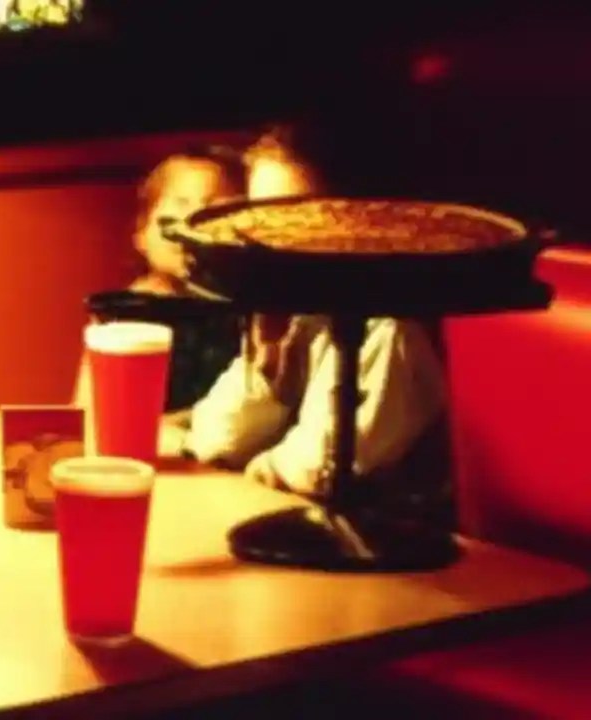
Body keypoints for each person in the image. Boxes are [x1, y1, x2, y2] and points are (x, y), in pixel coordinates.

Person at [182, 122, 453, 526]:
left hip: (393, 556)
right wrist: (265, 370)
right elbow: (213, 442)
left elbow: (313, 474)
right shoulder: (299, 318)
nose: (270, 244)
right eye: (261, 221)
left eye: (298, 219)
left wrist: (258, 464)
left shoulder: (392, 330)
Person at [75, 144, 246, 414]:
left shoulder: (243, 316)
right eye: (180, 204)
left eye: (213, 208)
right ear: (141, 234)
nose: (190, 222)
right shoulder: (123, 313)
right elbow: (88, 412)